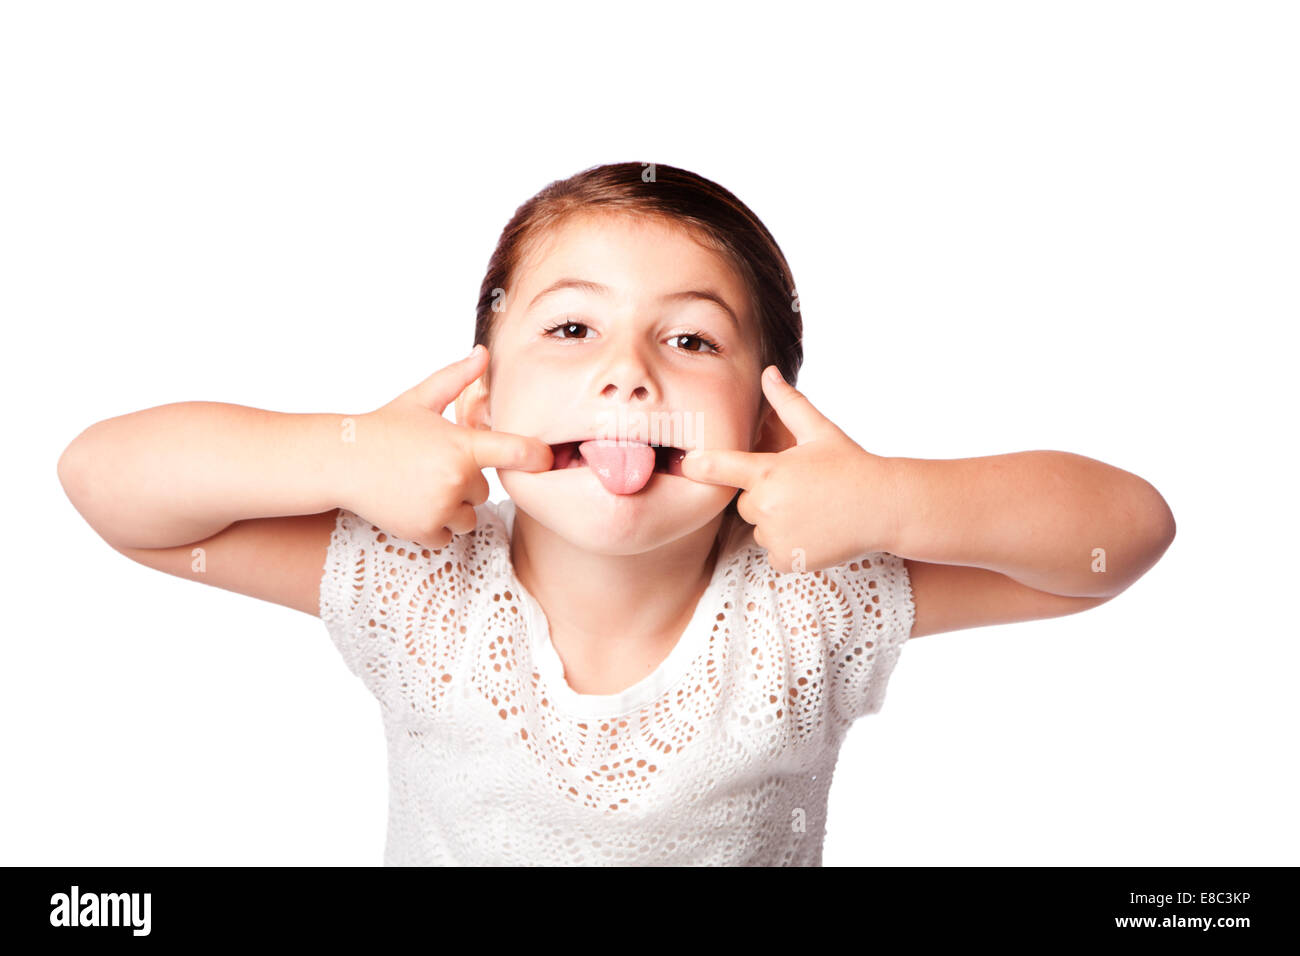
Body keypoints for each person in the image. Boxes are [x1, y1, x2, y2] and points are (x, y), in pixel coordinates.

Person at [56, 161, 1176, 865]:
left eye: (689, 339)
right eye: (571, 330)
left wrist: (892, 494)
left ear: (767, 418)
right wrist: (346, 451)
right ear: (482, 393)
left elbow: (1117, 538)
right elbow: (110, 484)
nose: (628, 376)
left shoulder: (814, 603)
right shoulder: (413, 582)